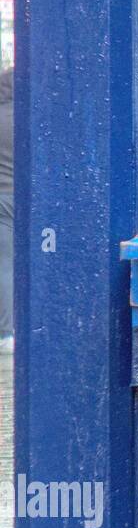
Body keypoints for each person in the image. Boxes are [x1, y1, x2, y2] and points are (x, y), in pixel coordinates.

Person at [0, 68, 12, 354]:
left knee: (6, 262)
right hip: (29, 199)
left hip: (2, 199)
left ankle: (6, 331)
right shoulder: (30, 117)